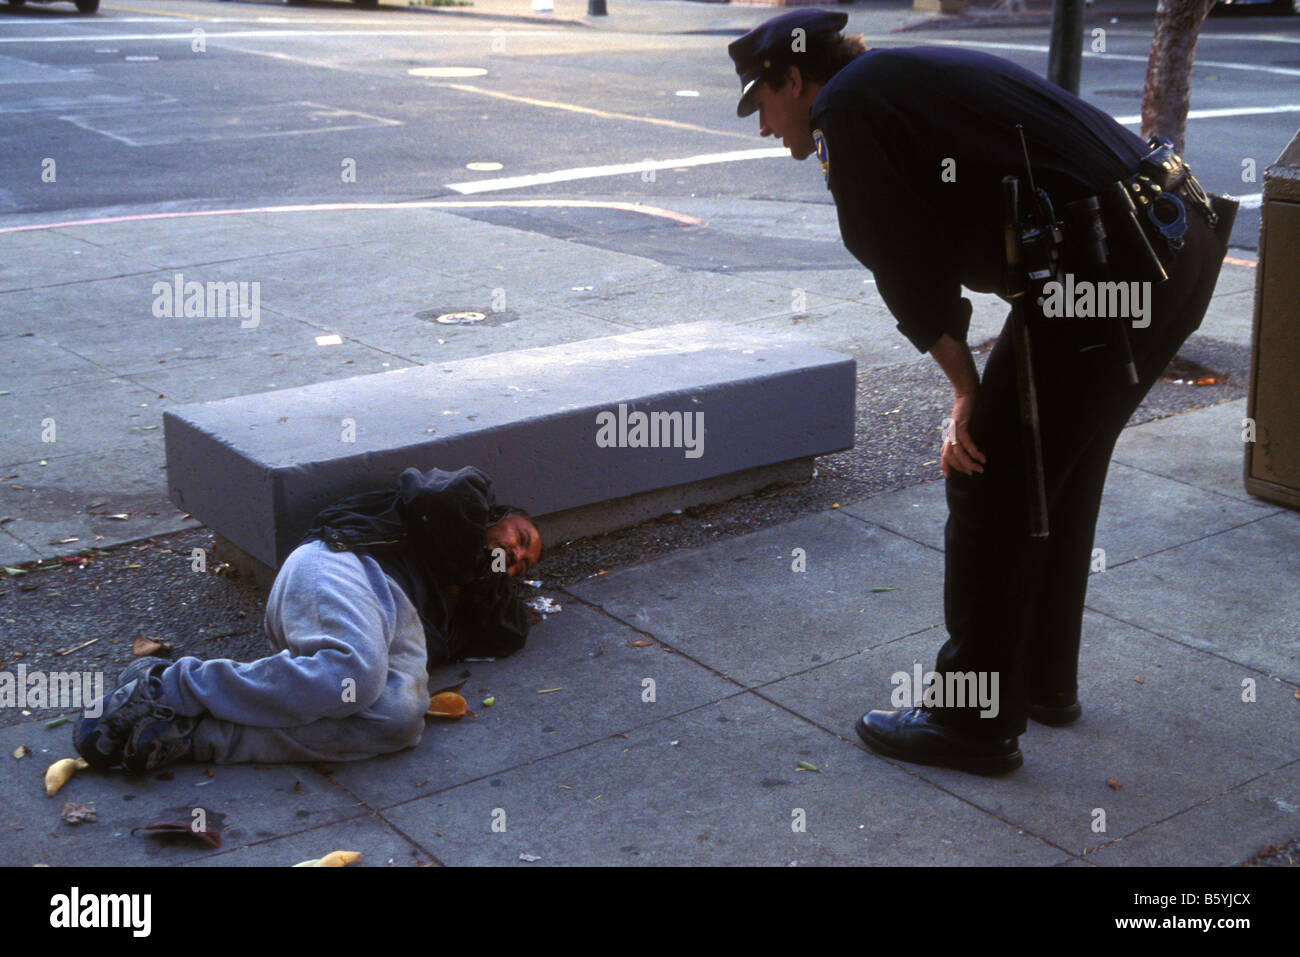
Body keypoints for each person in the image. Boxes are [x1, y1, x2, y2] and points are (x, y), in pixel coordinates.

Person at [728, 11, 1235, 773]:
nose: (765, 127)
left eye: (761, 103)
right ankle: (1039, 683)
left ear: (794, 80)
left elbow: (902, 268)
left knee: (989, 476)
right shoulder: (896, 81)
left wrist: (965, 394)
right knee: (1055, 474)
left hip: (1111, 266)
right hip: (1175, 243)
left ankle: (971, 721)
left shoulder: (849, 109)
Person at [74, 465, 542, 772]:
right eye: (519, 535)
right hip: (344, 567)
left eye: (524, 561)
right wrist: (485, 545)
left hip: (396, 623)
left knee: (399, 721)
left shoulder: (470, 595)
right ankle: (169, 684)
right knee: (351, 676)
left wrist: (494, 574)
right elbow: (453, 491)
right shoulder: (444, 509)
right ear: (496, 515)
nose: (516, 553)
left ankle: (191, 737)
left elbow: (507, 633)